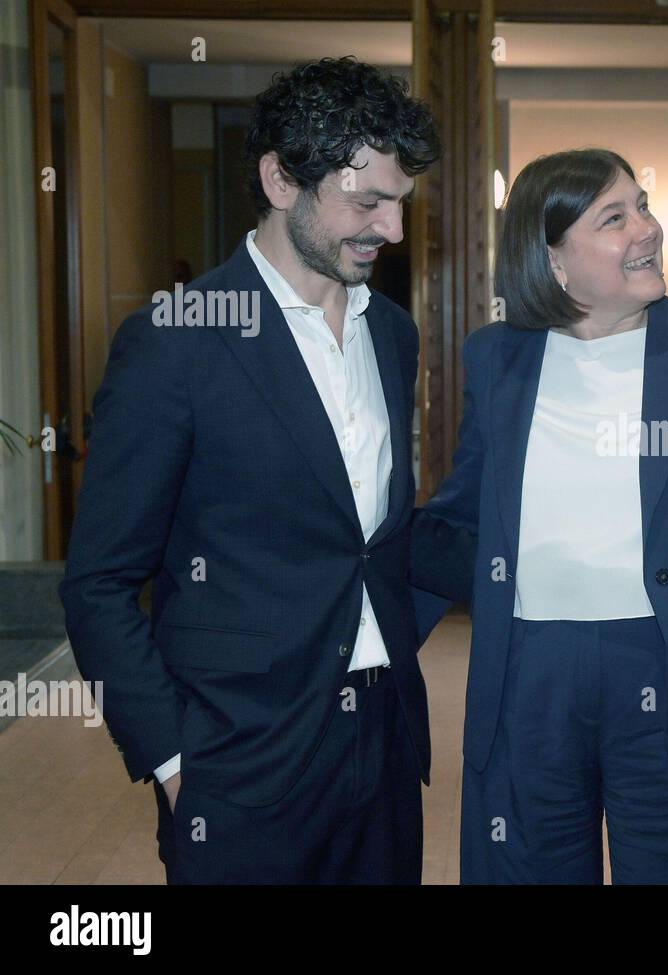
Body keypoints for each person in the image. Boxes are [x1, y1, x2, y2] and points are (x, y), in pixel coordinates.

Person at [60, 57, 440, 883]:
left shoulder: (393, 336)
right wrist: (171, 758)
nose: (392, 229)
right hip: (240, 762)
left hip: (381, 745)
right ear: (279, 179)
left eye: (400, 202)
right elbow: (97, 582)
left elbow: (373, 540)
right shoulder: (178, 340)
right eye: (366, 199)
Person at [411, 148, 668, 884]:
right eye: (614, 218)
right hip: (529, 675)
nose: (647, 229)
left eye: (643, 206)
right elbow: (463, 519)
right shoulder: (498, 358)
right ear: (553, 261)